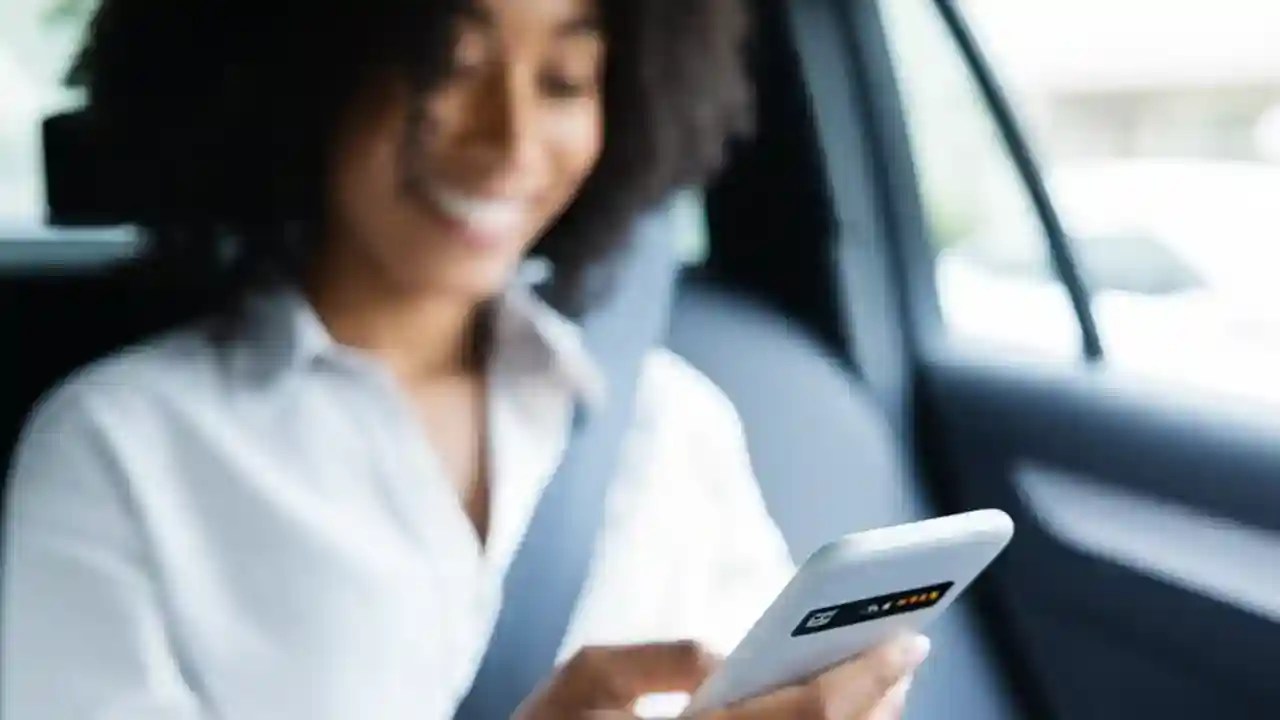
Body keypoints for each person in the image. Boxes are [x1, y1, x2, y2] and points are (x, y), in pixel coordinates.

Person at [1, 1, 930, 718]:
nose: (512, 142)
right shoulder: (119, 451)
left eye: (564, 81)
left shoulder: (666, 419)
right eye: (449, 67)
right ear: (296, 70)